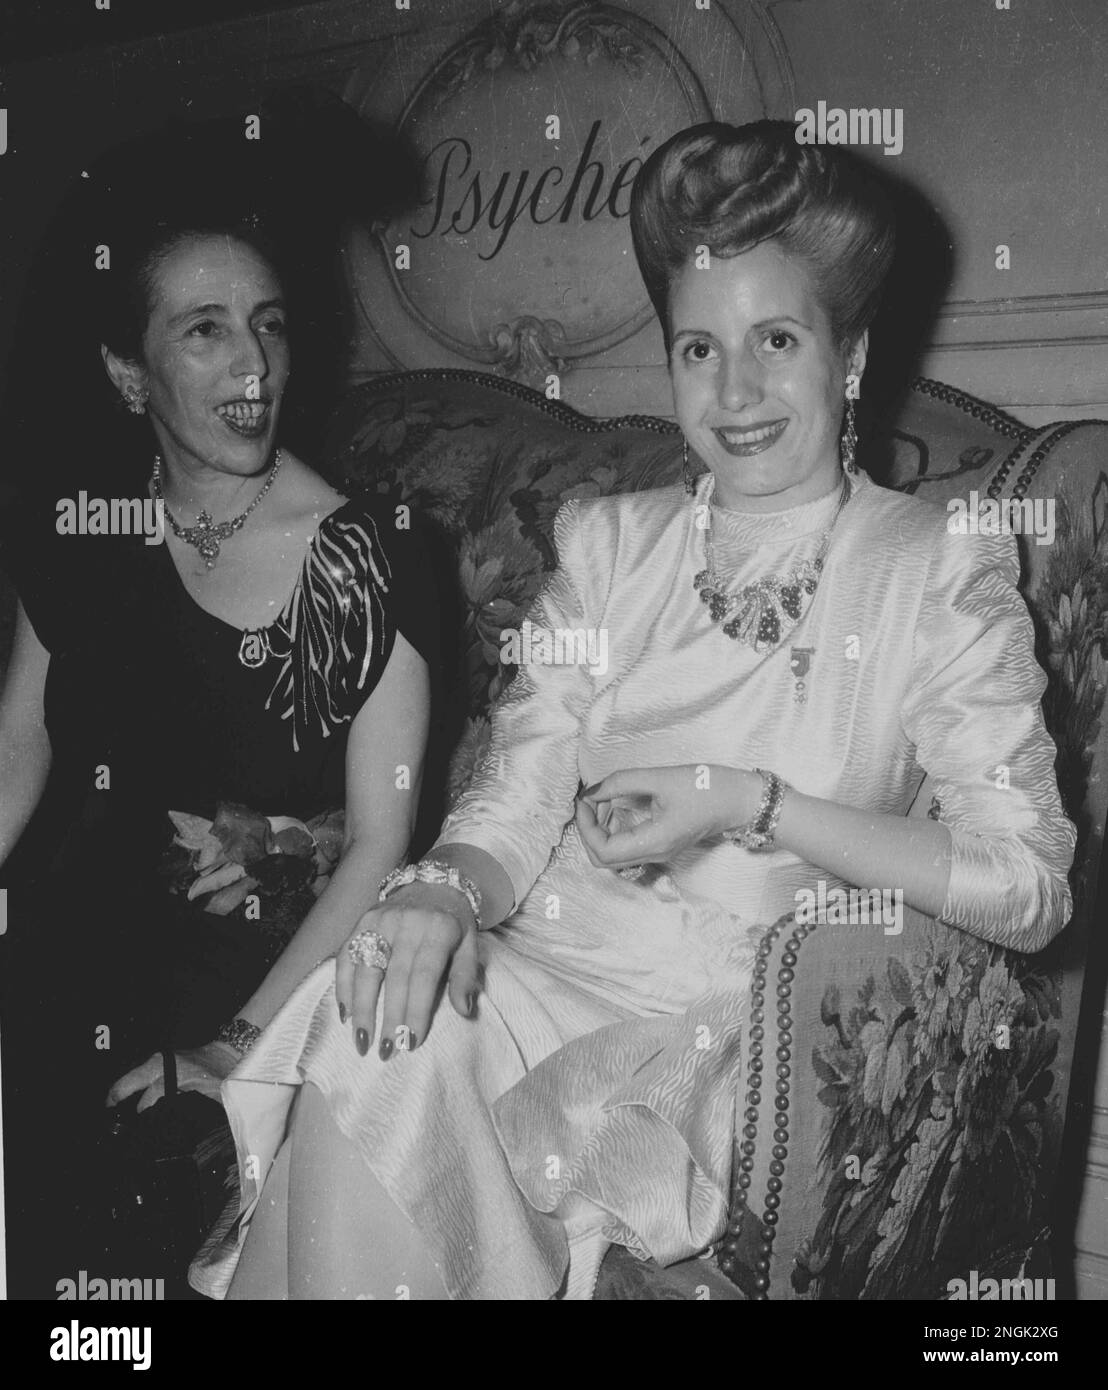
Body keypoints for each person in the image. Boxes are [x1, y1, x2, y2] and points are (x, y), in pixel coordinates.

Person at [193, 120, 1076, 1302]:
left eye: (776, 339)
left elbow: (1023, 883)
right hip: (537, 964)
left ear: (849, 356)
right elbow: (515, 796)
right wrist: (444, 888)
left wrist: (749, 801)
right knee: (377, 1024)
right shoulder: (610, 545)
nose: (737, 391)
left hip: (710, 1027)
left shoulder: (934, 569)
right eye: (698, 348)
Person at [0, 118, 436, 1297]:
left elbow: (384, 843)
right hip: (72, 942)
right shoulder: (87, 528)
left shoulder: (365, 559)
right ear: (126, 374)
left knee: (116, 1225)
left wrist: (236, 1050)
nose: (253, 365)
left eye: (268, 324)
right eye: (204, 330)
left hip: (257, 978)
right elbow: (20, 747)